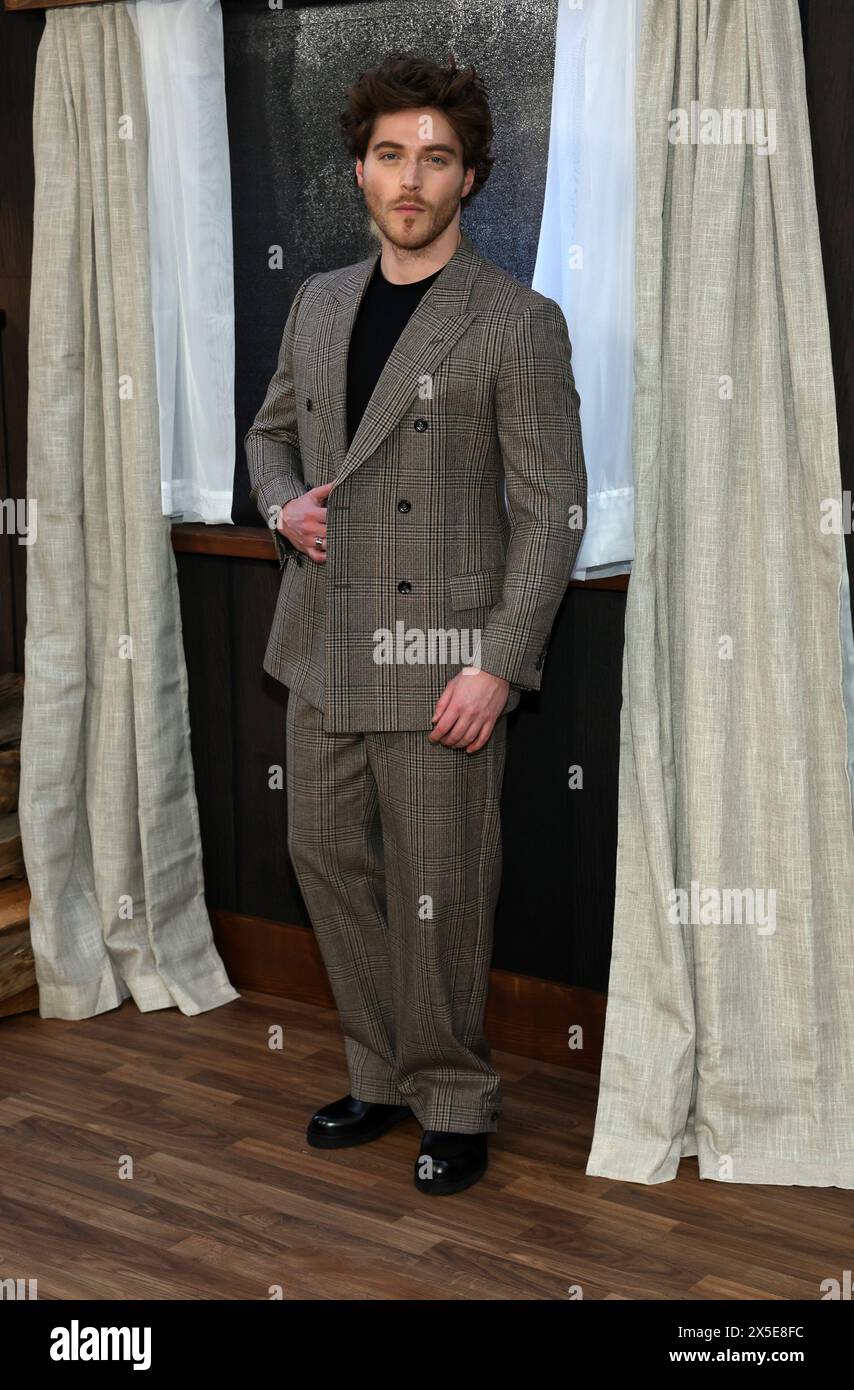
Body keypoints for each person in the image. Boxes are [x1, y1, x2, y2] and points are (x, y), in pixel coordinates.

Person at [246, 51, 586, 1196]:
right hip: (321, 642)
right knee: (323, 856)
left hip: (442, 657)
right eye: (391, 154)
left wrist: (498, 664)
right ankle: (379, 1070)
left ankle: (453, 1097)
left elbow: (552, 515)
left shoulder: (515, 322)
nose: (409, 177)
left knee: (440, 885)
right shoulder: (319, 301)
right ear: (358, 169)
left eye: (434, 158)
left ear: (468, 179)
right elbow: (269, 435)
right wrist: (280, 505)